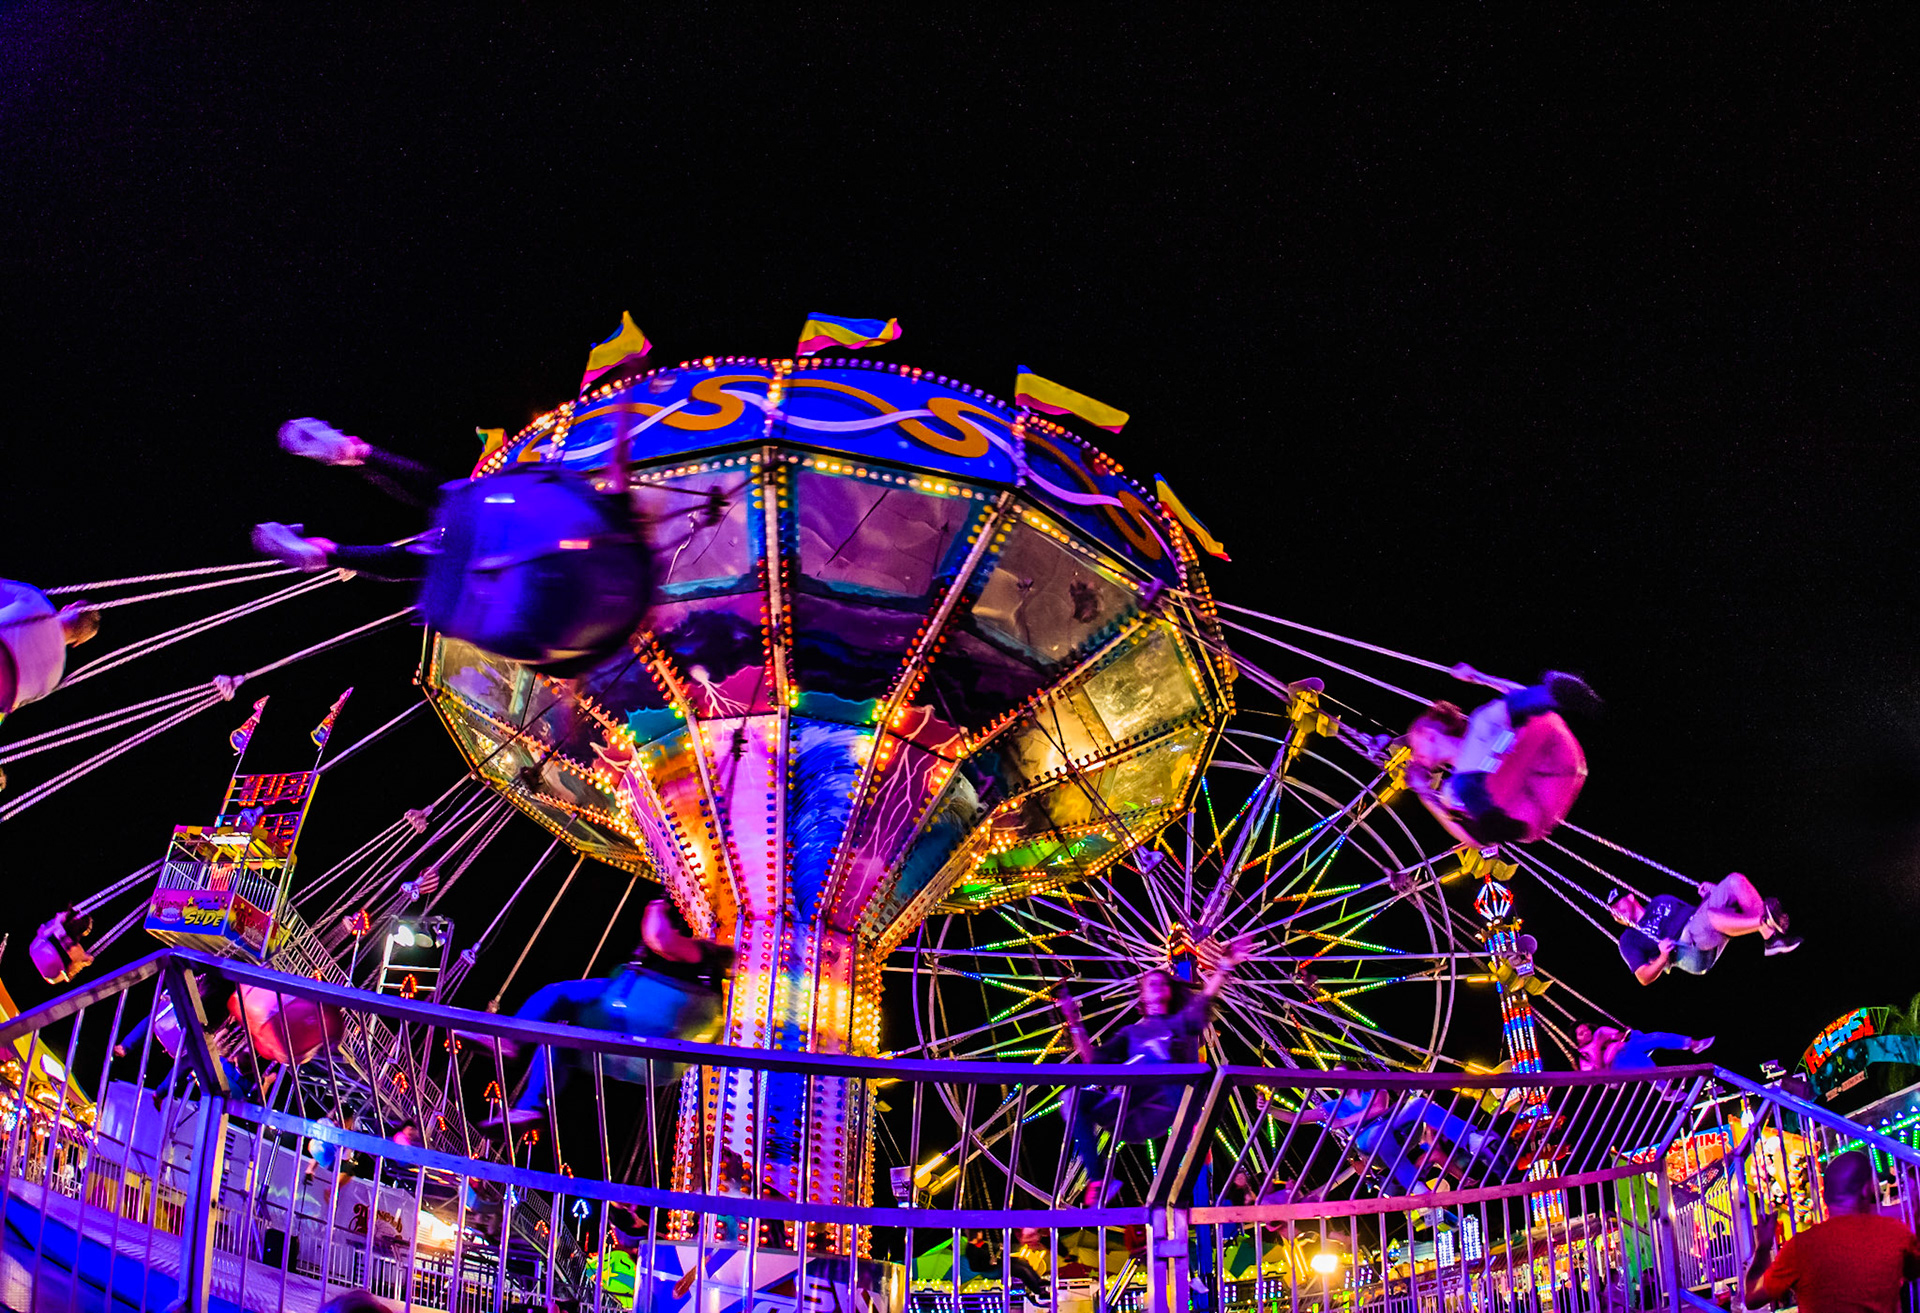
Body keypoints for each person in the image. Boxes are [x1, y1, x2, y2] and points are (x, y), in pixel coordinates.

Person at [252, 416, 652, 668]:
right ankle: (330, 552)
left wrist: (625, 411)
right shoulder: (623, 585)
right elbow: (567, 660)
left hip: (521, 538)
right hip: (518, 600)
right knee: (427, 561)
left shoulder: (618, 529)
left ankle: (355, 457)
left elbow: (619, 464)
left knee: (449, 500)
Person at [480, 899, 733, 1130]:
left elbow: (659, 937)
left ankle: (508, 1039)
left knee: (557, 994)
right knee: (559, 1042)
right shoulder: (709, 993)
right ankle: (528, 1110)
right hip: (654, 1065)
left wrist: (656, 907)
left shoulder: (702, 956)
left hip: (634, 1013)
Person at [1053, 938, 1250, 1206]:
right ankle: (1099, 1181)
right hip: (1127, 1112)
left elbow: (1202, 1003)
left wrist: (1224, 966)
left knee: (1147, 1068)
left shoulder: (1177, 1024)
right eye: (1149, 982)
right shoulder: (1131, 1033)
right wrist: (1075, 1023)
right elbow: (1095, 1062)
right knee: (1071, 1099)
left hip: (1161, 1103)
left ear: (1170, 992)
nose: (1155, 983)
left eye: (1162, 982)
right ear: (1142, 994)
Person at [1403, 666, 1600, 848]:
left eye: (1415, 744)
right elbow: (1472, 839)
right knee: (1459, 788)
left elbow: (1516, 697)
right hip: (1525, 802)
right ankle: (1496, 822)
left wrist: (1481, 678)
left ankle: (1557, 694)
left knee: (1492, 717)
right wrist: (1425, 794)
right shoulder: (1452, 789)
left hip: (1545, 753)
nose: (1414, 755)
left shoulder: (1480, 726)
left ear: (1430, 733)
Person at [1745, 1149, 1920, 1313]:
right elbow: (1914, 1269)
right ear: (1867, 1190)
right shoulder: (1895, 1233)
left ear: (1826, 1196)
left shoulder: (1801, 1247)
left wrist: (1763, 1246)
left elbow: (1752, 1298)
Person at [1608, 873, 1801, 985]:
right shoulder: (1628, 940)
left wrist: (1712, 894)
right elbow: (1643, 977)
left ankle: (1771, 938)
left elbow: (1696, 913)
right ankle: (1765, 921)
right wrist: (1662, 958)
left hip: (1702, 927)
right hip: (1688, 951)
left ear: (1631, 897)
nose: (1616, 911)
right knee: (1706, 920)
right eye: (1612, 911)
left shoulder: (1660, 900)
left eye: (1617, 904)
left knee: (1734, 881)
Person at [0, 579, 100, 747]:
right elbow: (12, 706)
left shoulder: (36, 600)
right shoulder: (54, 677)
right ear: (78, 642)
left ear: (67, 607)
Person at [1573, 1022, 1713, 1071]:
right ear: (1576, 1040)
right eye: (1581, 1033)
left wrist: (1620, 1034)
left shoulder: (1600, 1032)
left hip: (1626, 1047)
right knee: (1642, 1062)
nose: (1587, 1033)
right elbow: (1598, 1073)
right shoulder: (1583, 1055)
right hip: (1616, 1065)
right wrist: (1597, 1047)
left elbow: (1620, 1035)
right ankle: (1666, 1091)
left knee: (1656, 1036)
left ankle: (1693, 1044)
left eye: (1586, 1029)